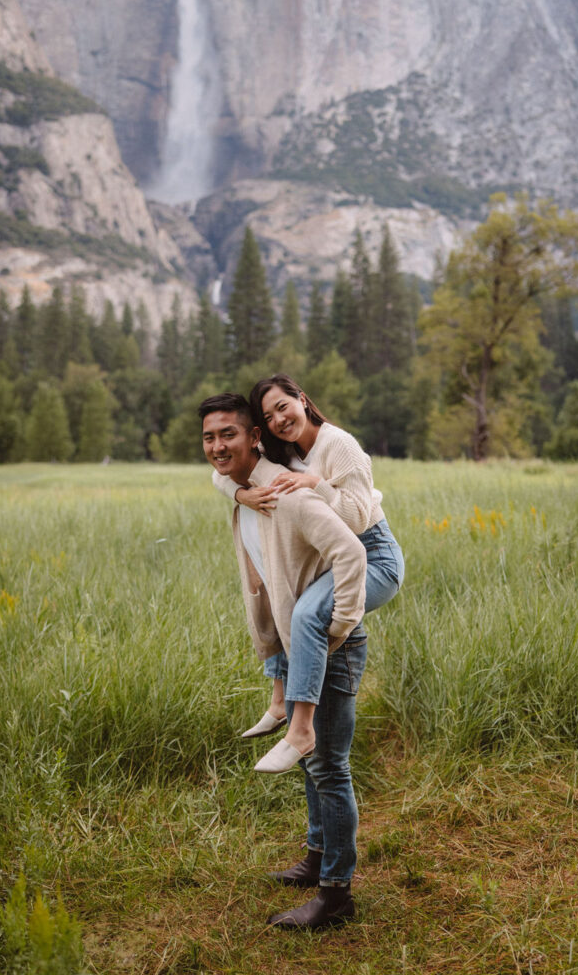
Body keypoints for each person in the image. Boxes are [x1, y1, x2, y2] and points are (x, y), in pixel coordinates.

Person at [200, 391, 368, 928]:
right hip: (300, 648)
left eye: (229, 433)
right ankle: (317, 859)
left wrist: (339, 624)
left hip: (328, 645)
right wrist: (233, 488)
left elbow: (353, 552)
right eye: (209, 437)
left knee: (329, 767)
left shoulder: (287, 493)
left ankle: (336, 894)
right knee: (312, 766)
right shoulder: (247, 491)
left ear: (255, 437)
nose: (218, 445)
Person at [212, 374, 404, 767]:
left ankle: (301, 729)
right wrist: (241, 492)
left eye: (284, 406)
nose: (280, 419)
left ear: (302, 399)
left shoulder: (340, 445)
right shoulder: (282, 447)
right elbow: (223, 467)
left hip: (373, 554)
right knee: (281, 594)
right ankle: (279, 700)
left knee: (306, 614)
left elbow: (355, 516)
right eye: (269, 416)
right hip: (329, 553)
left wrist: (312, 484)